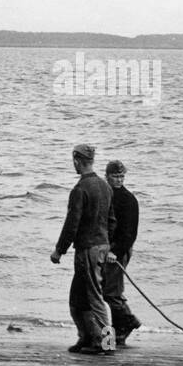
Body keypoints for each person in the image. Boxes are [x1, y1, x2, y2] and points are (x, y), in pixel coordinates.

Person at [50, 143, 116, 354]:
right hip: (102, 247)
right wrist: (109, 247)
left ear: (77, 161)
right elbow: (112, 220)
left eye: (74, 162)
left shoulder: (80, 189)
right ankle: (86, 337)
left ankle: (106, 343)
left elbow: (72, 224)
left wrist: (59, 250)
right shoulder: (105, 186)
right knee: (77, 297)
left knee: (94, 298)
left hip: (88, 250)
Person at [103, 160, 142, 346]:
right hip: (107, 250)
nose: (119, 180)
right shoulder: (106, 195)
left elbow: (129, 233)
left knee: (110, 292)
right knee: (111, 291)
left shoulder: (128, 199)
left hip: (119, 250)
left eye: (121, 177)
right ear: (107, 176)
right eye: (115, 176)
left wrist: (115, 252)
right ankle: (119, 332)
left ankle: (128, 320)